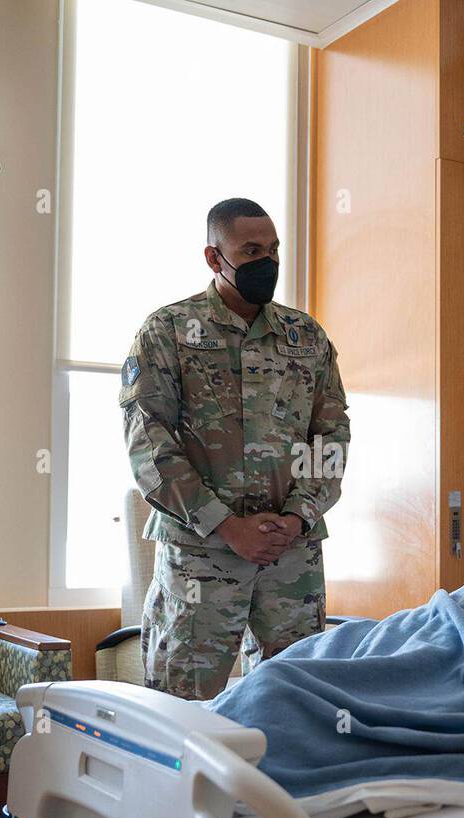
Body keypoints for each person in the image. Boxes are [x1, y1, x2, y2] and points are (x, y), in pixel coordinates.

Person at [120, 198, 351, 700]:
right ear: (213, 257)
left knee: (296, 702)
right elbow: (149, 443)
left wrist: (297, 517)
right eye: (250, 251)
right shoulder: (168, 333)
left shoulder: (307, 337)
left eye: (273, 250)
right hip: (201, 556)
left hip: (290, 555)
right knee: (180, 709)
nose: (266, 262)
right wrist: (226, 525)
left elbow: (330, 437)